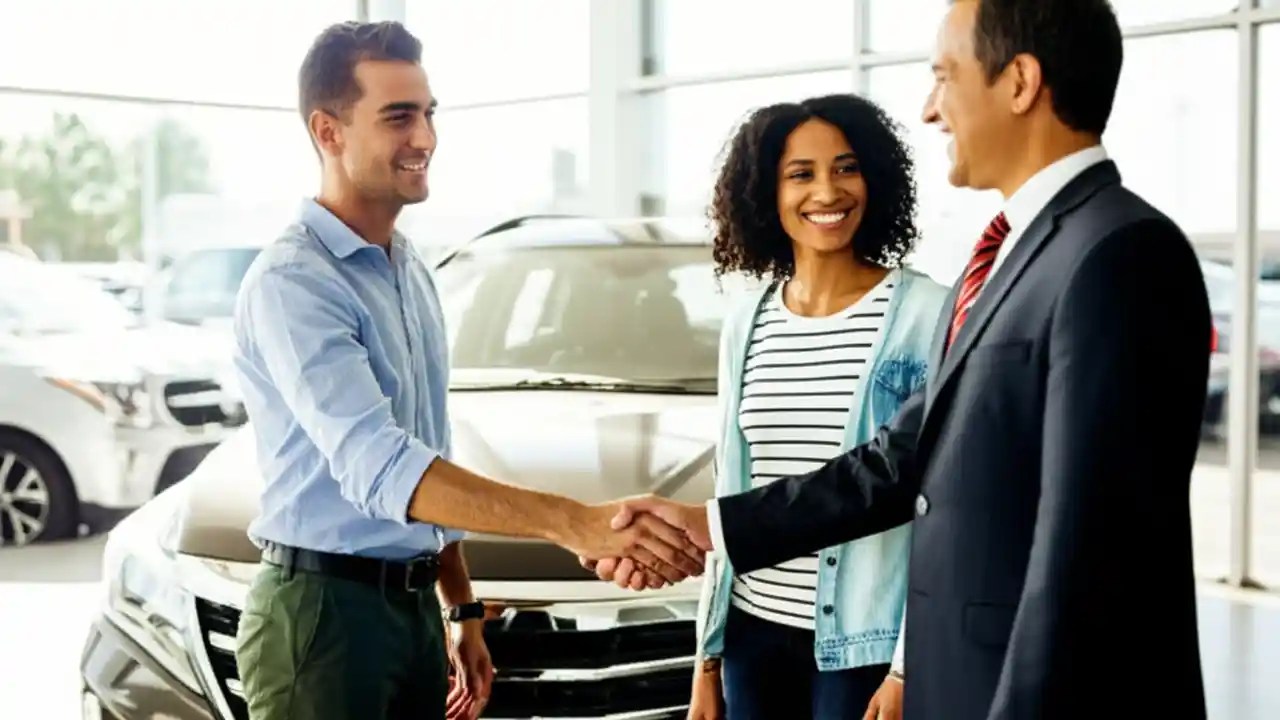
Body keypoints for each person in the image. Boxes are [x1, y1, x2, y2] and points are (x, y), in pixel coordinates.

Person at [594, 1, 1212, 718]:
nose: (929, 109)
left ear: (1019, 82)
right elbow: (900, 461)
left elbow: (1091, 557)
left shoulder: (1116, 253)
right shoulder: (1023, 250)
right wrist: (710, 527)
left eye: (944, 77)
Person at [230, 21, 703, 720]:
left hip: (413, 612)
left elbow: (429, 447)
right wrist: (575, 523)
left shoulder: (409, 268)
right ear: (327, 131)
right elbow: (382, 467)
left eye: (427, 113)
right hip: (323, 619)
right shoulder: (295, 282)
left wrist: (462, 605)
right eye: (398, 117)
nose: (425, 137)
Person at [616, 94, 945, 720]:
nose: (828, 190)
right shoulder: (748, 321)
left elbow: (938, 503)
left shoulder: (927, 314)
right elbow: (732, 482)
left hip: (863, 651)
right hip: (752, 638)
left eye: (846, 168)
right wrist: (707, 659)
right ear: (764, 194)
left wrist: (909, 665)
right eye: (801, 174)